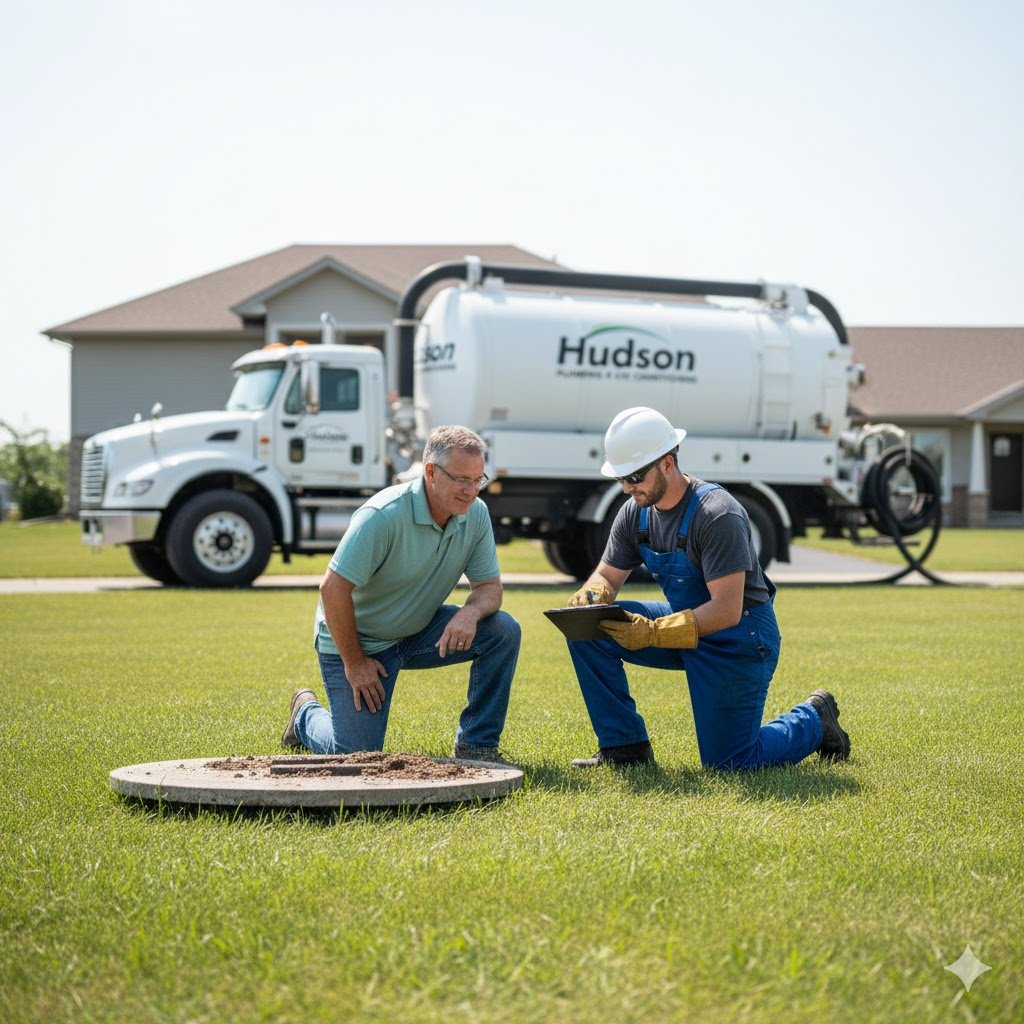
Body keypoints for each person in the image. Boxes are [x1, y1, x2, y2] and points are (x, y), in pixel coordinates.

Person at [565, 406, 850, 770]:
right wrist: (594, 594)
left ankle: (813, 719)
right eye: (620, 478)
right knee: (590, 630)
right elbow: (606, 575)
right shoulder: (634, 511)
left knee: (729, 762)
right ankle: (625, 750)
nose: (627, 487)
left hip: (740, 638)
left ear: (667, 463)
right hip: (685, 626)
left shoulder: (717, 514)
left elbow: (726, 610)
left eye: (634, 475)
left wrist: (652, 632)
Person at [281, 425, 521, 762]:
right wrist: (355, 663)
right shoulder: (382, 516)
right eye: (462, 480)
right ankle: (305, 715)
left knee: (502, 630)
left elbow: (488, 588)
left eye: (478, 480)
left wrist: (470, 613)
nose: (471, 491)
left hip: (417, 632)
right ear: (430, 472)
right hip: (357, 642)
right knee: (356, 756)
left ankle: (476, 747)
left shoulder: (476, 514)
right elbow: (333, 590)